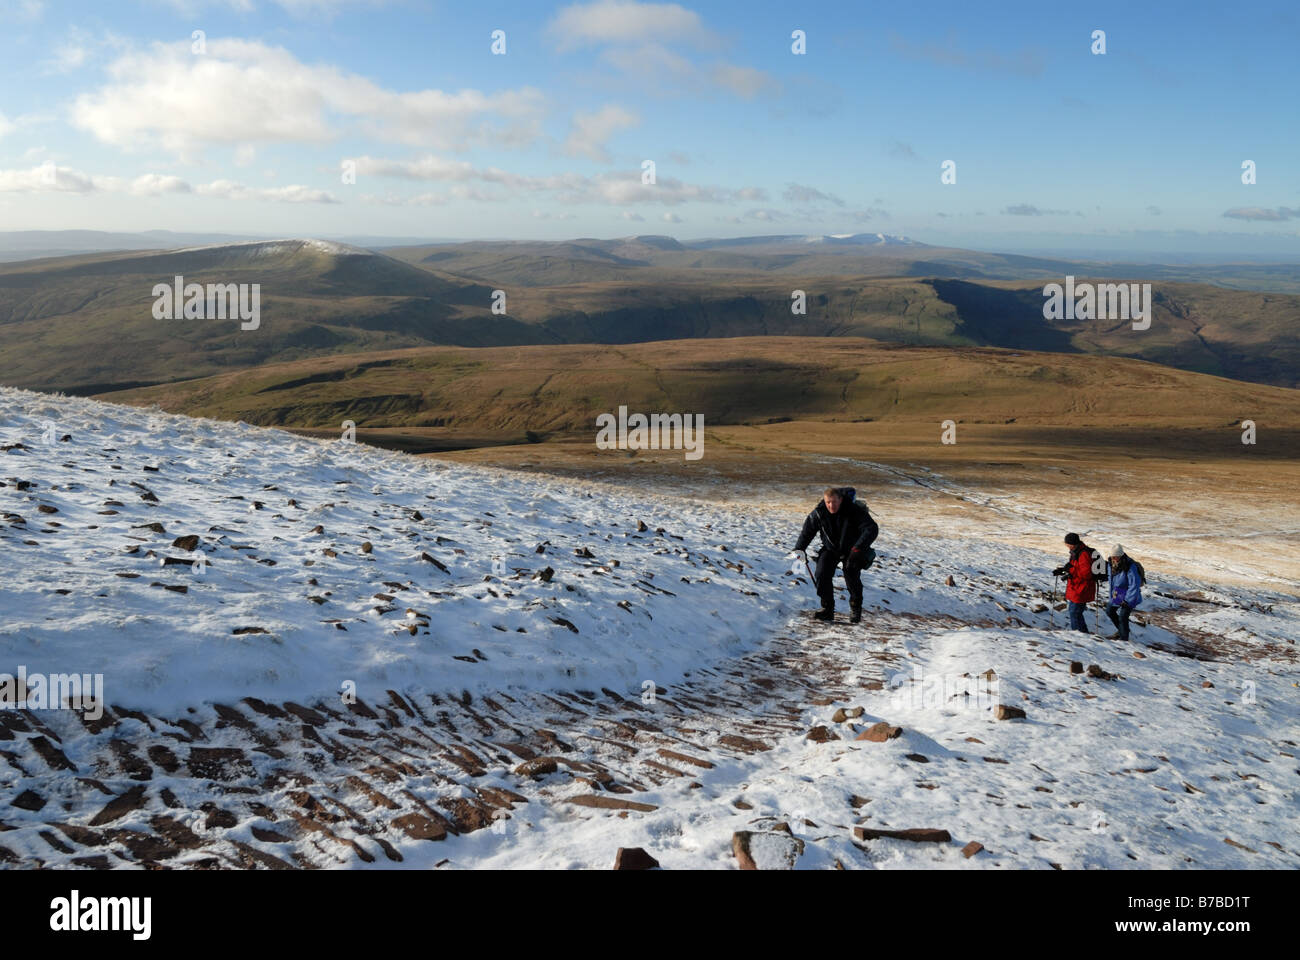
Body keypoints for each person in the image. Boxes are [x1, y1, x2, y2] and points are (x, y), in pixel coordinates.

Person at [790, 486, 879, 623]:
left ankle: (855, 608)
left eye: (834, 502)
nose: (831, 505)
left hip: (853, 550)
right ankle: (827, 609)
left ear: (841, 500)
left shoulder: (853, 511)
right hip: (830, 549)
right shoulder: (819, 513)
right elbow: (807, 532)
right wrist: (799, 549)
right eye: (828, 502)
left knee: (851, 576)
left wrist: (858, 548)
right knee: (822, 573)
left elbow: (871, 528)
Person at [1052, 532, 1096, 633]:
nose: (1066, 545)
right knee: (1076, 613)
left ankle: (1078, 635)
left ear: (1072, 544)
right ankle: (1083, 634)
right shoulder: (1076, 551)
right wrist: (1063, 570)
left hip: (1081, 588)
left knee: (1074, 613)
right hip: (1076, 587)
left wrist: (1070, 570)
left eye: (1067, 544)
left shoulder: (1083, 554)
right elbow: (1075, 567)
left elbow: (1086, 573)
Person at [1104, 544, 1144, 642]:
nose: (1114, 558)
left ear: (1121, 555)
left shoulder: (1130, 566)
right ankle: (1122, 631)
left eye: (1115, 556)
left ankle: (1124, 639)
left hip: (1130, 595)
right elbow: (1112, 579)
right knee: (1110, 610)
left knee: (1123, 616)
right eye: (1112, 556)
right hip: (1118, 594)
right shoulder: (1110, 563)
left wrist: (1127, 600)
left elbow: (1134, 584)